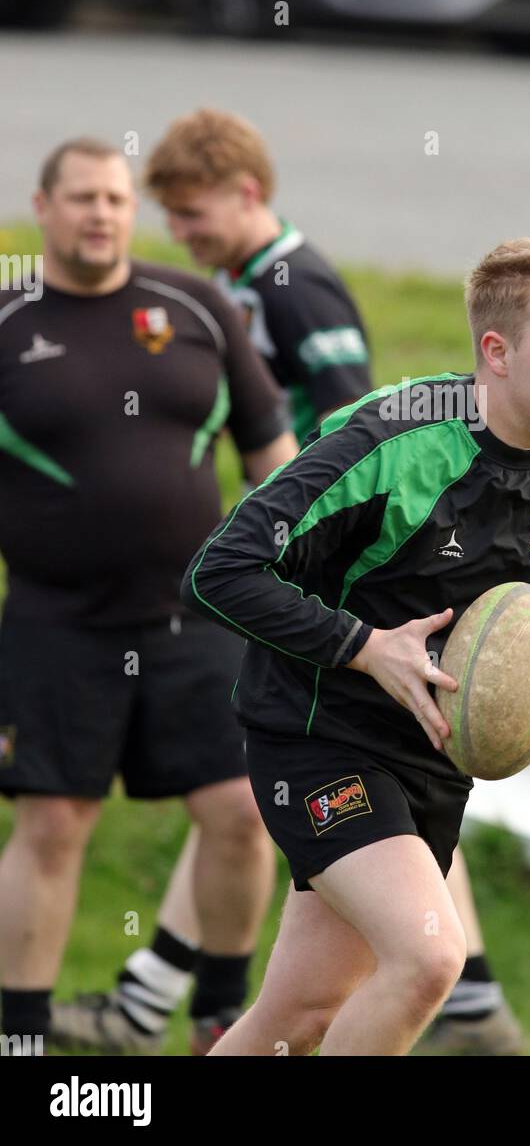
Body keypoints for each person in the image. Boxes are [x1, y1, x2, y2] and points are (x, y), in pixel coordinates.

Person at [62, 106, 525, 1056]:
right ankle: (452, 993)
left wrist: (303, 564)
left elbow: (357, 434)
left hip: (327, 589)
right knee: (290, 788)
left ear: (248, 194)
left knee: (376, 776)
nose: (178, 234)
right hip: (288, 581)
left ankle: (463, 992)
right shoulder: (242, 283)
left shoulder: (295, 288)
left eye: (192, 214)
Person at [181, 237, 530, 1056]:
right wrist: (365, 646)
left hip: (436, 761)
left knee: (299, 1014)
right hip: (318, 735)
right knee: (431, 957)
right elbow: (221, 571)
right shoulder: (392, 443)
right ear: (496, 352)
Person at [0, 139, 296, 1056]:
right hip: (55, 620)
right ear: (43, 207)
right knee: (52, 825)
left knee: (244, 815)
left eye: (118, 198)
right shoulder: (8, 319)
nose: (102, 213)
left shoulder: (196, 308)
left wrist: (293, 586)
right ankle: (20, 1041)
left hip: (197, 617)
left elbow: (272, 457)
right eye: (82, 197)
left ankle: (218, 1019)